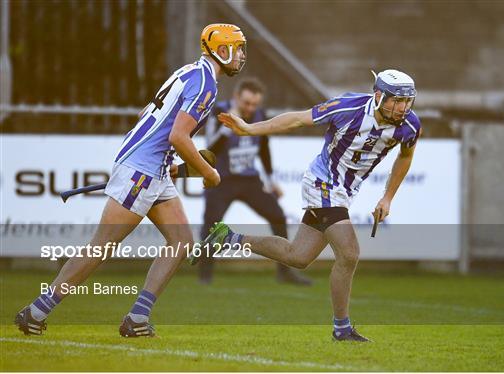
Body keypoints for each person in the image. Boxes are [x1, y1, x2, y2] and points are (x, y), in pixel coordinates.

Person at [14, 24, 247, 337]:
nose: (242, 55)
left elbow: (146, 115)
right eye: (238, 47)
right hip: (142, 169)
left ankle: (137, 318)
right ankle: (36, 311)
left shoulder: (189, 71)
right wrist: (209, 173)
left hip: (152, 166)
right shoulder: (207, 84)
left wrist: (166, 164)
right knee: (102, 247)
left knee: (181, 243)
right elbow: (179, 136)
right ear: (222, 50)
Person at [196, 69, 421, 342]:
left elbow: (405, 156)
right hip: (322, 182)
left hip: (345, 191)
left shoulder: (410, 124)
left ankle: (229, 237)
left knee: (298, 257)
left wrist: (387, 197)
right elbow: (297, 120)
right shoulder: (347, 106)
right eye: (396, 101)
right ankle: (342, 328)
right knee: (349, 253)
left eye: (407, 101)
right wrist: (249, 128)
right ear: (378, 95)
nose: (402, 108)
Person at [195, 77, 312, 286]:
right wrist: (229, 125)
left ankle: (285, 272)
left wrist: (271, 180)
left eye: (254, 104)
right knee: (211, 225)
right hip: (221, 180)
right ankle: (205, 276)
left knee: (277, 216)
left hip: (250, 181)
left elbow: (264, 149)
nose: (250, 108)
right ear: (235, 98)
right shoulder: (218, 113)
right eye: (246, 103)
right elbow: (210, 150)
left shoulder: (259, 115)